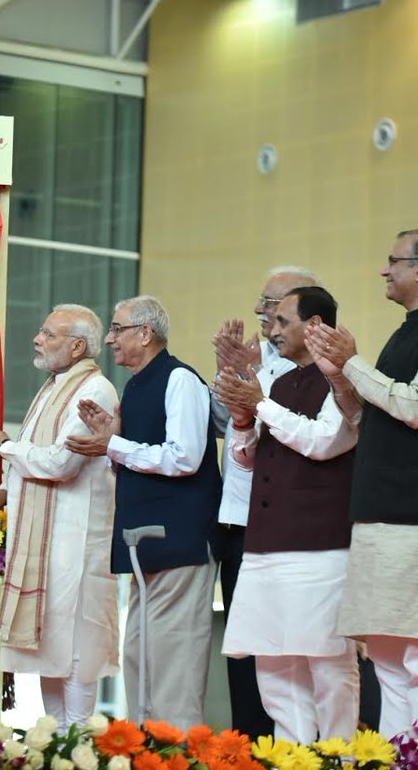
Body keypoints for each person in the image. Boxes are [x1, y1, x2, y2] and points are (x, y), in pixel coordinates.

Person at [68, 295, 221, 729]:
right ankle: (143, 753)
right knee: (139, 662)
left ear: (145, 334)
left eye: (117, 329)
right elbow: (141, 457)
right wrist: (112, 439)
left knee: (174, 668)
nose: (110, 339)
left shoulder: (180, 380)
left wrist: (113, 445)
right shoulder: (137, 385)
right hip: (144, 546)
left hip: (181, 543)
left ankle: (177, 757)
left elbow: (185, 457)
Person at [216, 286, 360, 742]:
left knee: (328, 664)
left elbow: (325, 441)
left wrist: (257, 404)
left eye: (282, 322)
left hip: (318, 544)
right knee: (274, 665)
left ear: (314, 325)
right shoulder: (280, 383)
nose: (272, 331)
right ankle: (290, 753)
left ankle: (339, 754)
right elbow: (250, 458)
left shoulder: (342, 379)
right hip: (266, 542)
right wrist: (241, 422)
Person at [0, 304, 120, 726]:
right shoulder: (55, 387)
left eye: (49, 334)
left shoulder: (95, 391)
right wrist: (5, 492)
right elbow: (35, 456)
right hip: (47, 543)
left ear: (77, 347)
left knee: (76, 649)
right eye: (41, 332)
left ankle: (78, 743)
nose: (38, 340)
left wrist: (5, 446)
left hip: (75, 544)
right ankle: (58, 745)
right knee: (49, 650)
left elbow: (61, 463)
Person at [308, 229, 418, 738]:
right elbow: (370, 415)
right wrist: (339, 376)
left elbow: (413, 408)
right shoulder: (406, 330)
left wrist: (353, 362)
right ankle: (399, 756)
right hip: (380, 511)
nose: (384, 270)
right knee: (390, 663)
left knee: (413, 661)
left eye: (393, 260)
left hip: (409, 517)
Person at [210, 266, 322, 738]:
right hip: (238, 519)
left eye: (275, 305)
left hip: (294, 526)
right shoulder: (256, 361)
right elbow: (224, 425)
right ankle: (246, 746)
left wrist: (253, 388)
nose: (264, 314)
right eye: (262, 303)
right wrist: (234, 373)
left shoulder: (316, 370)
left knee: (295, 650)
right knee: (245, 647)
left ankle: (300, 746)